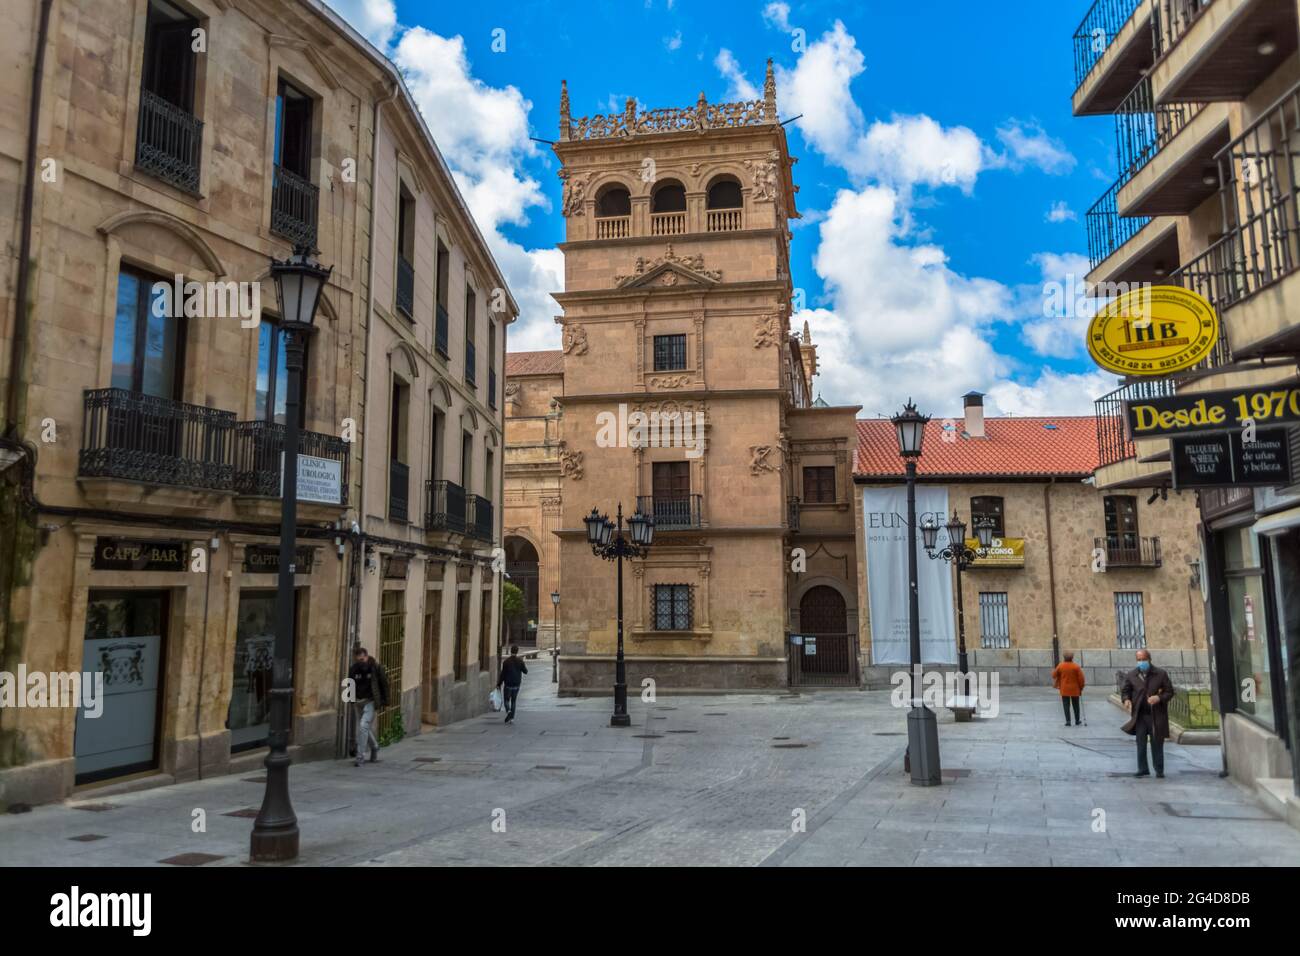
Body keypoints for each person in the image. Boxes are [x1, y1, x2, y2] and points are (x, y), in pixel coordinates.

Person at [1121, 649, 1175, 778]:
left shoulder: (1160, 674)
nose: (1141, 662)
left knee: (1157, 742)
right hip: (1140, 715)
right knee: (1141, 743)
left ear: (1149, 659)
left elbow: (1169, 691)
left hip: (1156, 714)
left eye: (1143, 659)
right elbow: (1125, 691)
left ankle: (1159, 769)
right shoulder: (1132, 675)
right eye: (1139, 660)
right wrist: (1126, 699)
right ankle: (1143, 768)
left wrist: (1159, 698)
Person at [348, 645, 389, 767]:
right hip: (358, 702)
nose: (360, 663)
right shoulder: (353, 669)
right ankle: (375, 747)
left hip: (370, 701)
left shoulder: (376, 667)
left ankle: (360, 757)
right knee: (364, 728)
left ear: (366, 656)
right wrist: (351, 700)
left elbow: (384, 684)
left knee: (362, 726)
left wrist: (385, 702)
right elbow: (350, 683)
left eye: (362, 660)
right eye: (358, 660)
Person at [1051, 651, 1086, 726]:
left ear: (1064, 658)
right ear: (1072, 658)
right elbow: (1081, 679)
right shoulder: (1076, 667)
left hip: (1064, 689)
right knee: (1076, 705)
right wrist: (1081, 687)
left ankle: (1068, 721)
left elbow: (1054, 675)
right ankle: (1077, 720)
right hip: (1075, 689)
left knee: (1066, 705)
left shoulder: (1061, 666)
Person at [497, 644, 528, 724]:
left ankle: (508, 711)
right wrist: (522, 667)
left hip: (508, 684)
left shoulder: (506, 662)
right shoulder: (520, 661)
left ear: (511, 651)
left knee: (506, 700)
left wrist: (499, 683)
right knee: (514, 701)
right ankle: (512, 718)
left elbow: (503, 674)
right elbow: (525, 671)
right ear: (517, 651)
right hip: (517, 684)